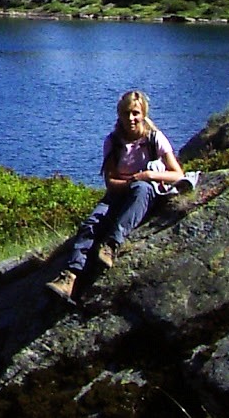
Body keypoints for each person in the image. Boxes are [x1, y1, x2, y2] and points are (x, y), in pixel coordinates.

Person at [46, 89, 183, 303]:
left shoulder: (155, 138)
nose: (131, 118)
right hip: (118, 194)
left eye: (135, 113)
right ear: (119, 115)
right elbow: (110, 183)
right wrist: (131, 182)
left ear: (143, 114)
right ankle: (69, 277)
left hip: (145, 195)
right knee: (91, 224)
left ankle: (111, 246)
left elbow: (177, 174)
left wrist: (148, 175)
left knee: (143, 188)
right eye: (127, 113)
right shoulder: (113, 142)